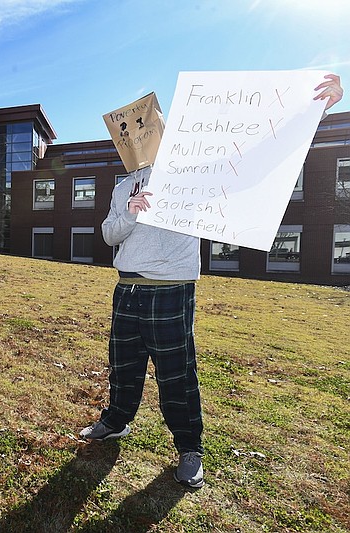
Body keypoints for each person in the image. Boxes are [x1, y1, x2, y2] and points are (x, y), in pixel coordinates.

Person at [79, 73, 344, 489]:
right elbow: (109, 235)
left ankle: (189, 448)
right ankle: (116, 421)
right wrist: (130, 210)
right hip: (127, 289)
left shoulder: (195, 170)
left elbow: (255, 154)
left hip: (172, 289)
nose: (135, 135)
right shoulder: (123, 185)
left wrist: (314, 109)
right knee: (124, 366)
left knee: (176, 373)